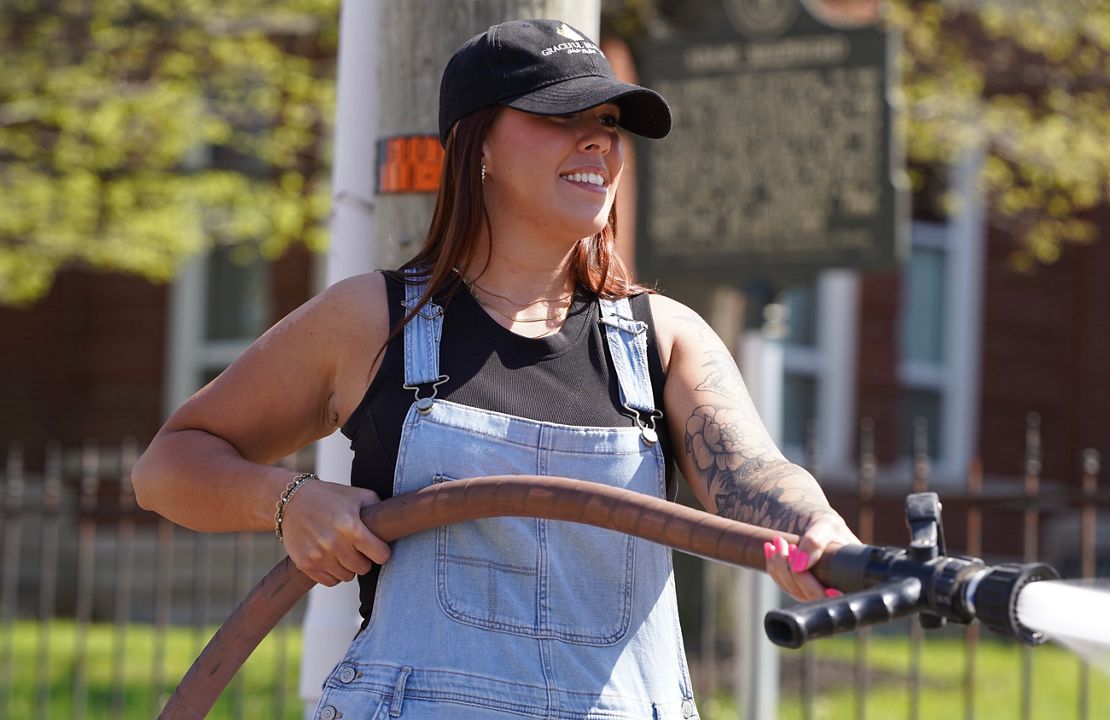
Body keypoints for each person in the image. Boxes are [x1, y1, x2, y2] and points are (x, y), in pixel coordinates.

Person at [134, 18, 858, 719]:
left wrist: (819, 529)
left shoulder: (661, 339)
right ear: (475, 143)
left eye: (609, 121)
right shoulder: (374, 322)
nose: (598, 142)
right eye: (561, 114)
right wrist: (289, 500)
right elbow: (167, 469)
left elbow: (753, 474)